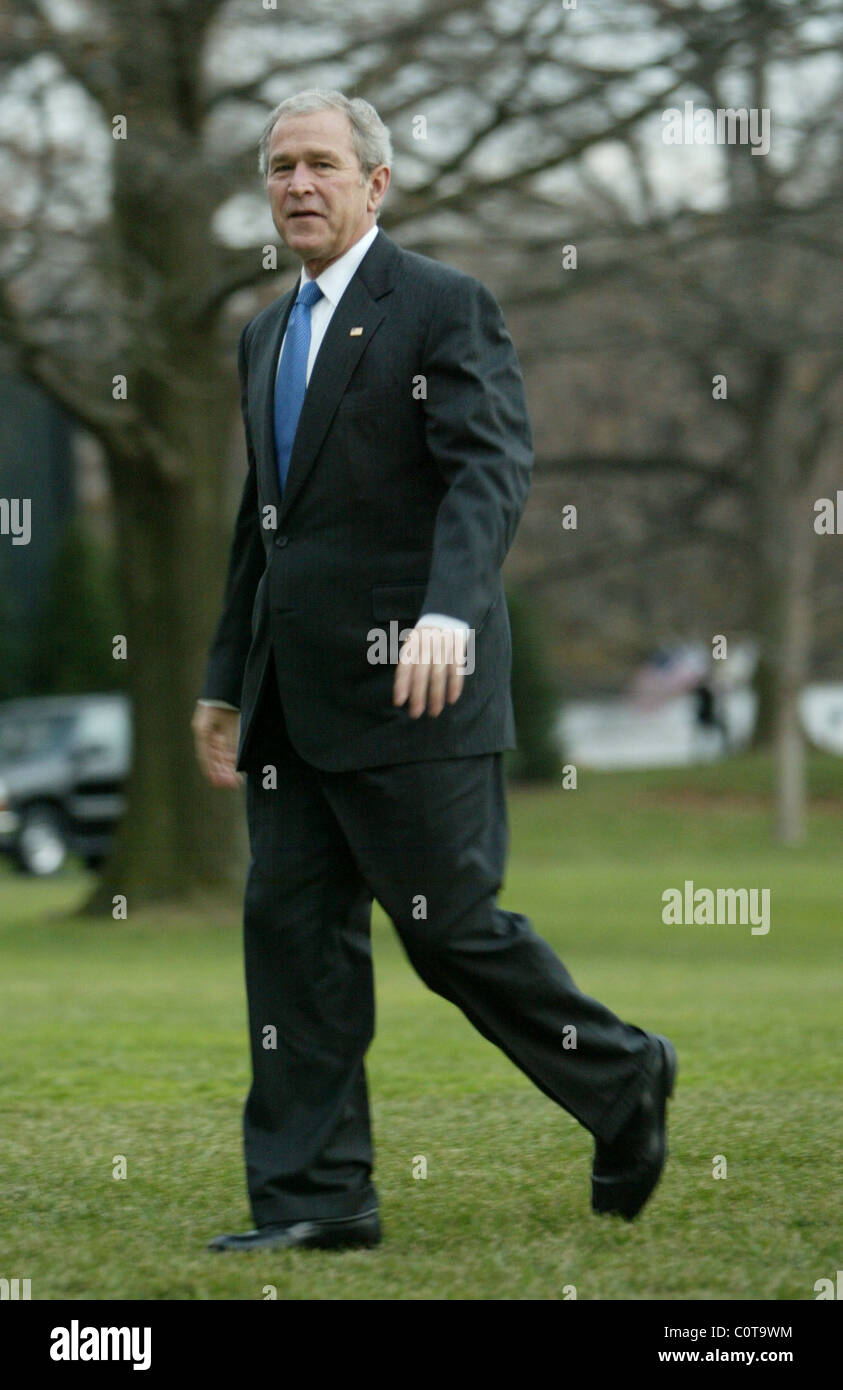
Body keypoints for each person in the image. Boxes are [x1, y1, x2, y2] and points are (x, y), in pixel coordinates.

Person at [192, 89, 676, 1253]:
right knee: (293, 939)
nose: (297, 185)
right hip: (292, 706)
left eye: (319, 164)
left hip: (420, 689)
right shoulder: (264, 333)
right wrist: (222, 674)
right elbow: (268, 524)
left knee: (452, 935)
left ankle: (621, 1076)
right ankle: (316, 1200)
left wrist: (451, 610)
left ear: (375, 184)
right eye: (278, 167)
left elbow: (489, 468)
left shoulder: (445, 307)